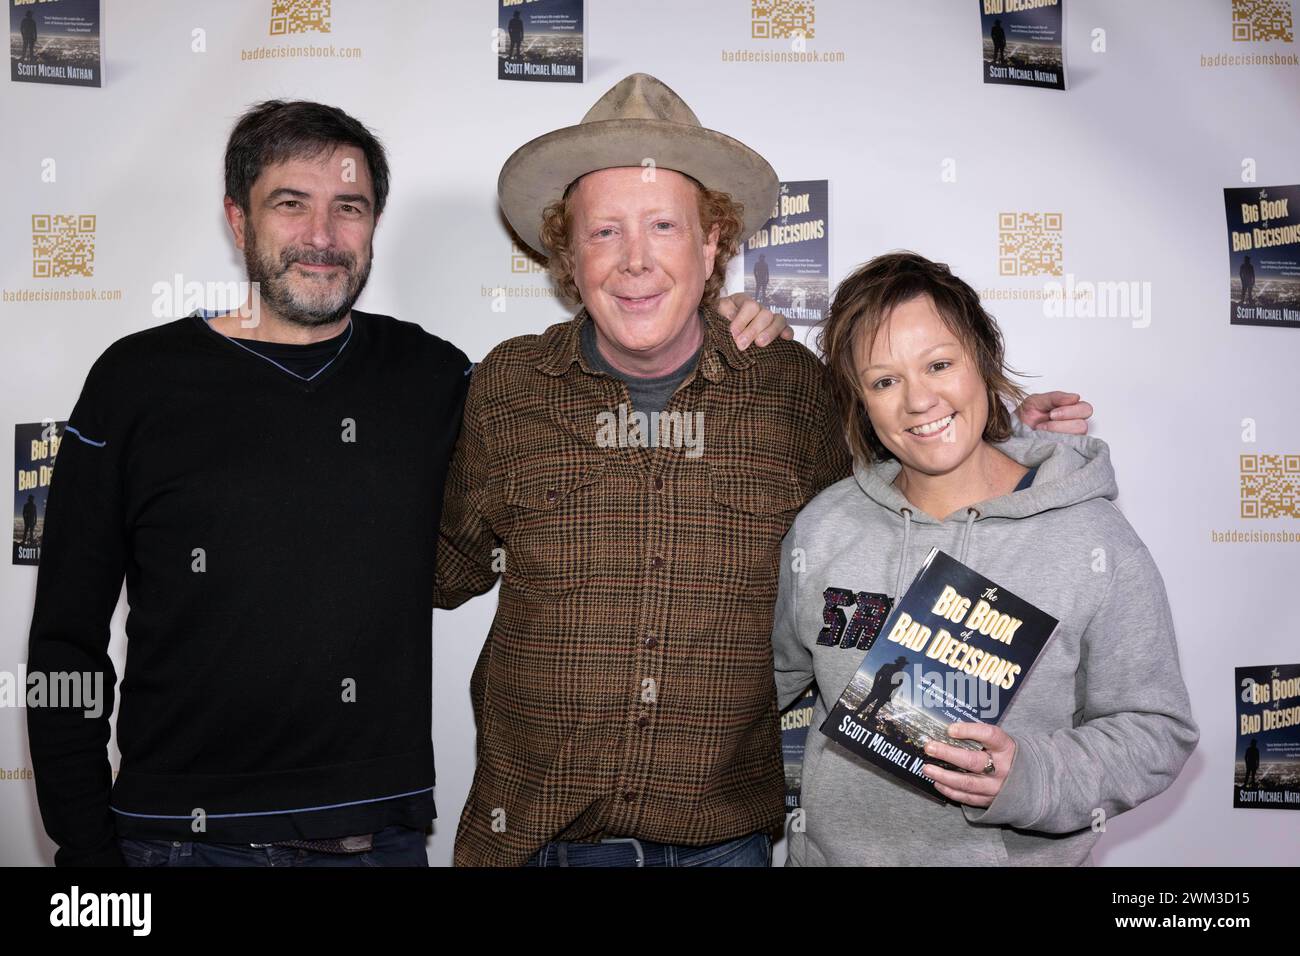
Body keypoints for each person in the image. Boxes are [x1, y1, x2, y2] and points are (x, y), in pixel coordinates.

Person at [24, 98, 784, 869]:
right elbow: (65, 638)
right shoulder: (136, 382)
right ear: (237, 218)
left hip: (378, 840)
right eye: (291, 204)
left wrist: (715, 321)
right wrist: (85, 849)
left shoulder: (436, 378)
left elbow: (598, 397)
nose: (321, 236)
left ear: (373, 222)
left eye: (347, 207)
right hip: (175, 840)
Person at [435, 74, 1091, 867]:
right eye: (604, 231)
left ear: (712, 245)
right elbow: (444, 567)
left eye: (664, 227)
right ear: (567, 255)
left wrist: (1013, 437)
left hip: (723, 848)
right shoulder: (506, 387)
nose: (635, 260)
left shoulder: (793, 389)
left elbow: (919, 485)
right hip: (531, 845)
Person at [772, 251, 1198, 865]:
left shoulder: (1089, 537)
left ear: (984, 360)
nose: (918, 401)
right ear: (858, 400)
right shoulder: (825, 526)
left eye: (939, 364)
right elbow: (765, 678)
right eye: (884, 380)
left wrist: (1030, 777)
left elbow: (1156, 729)